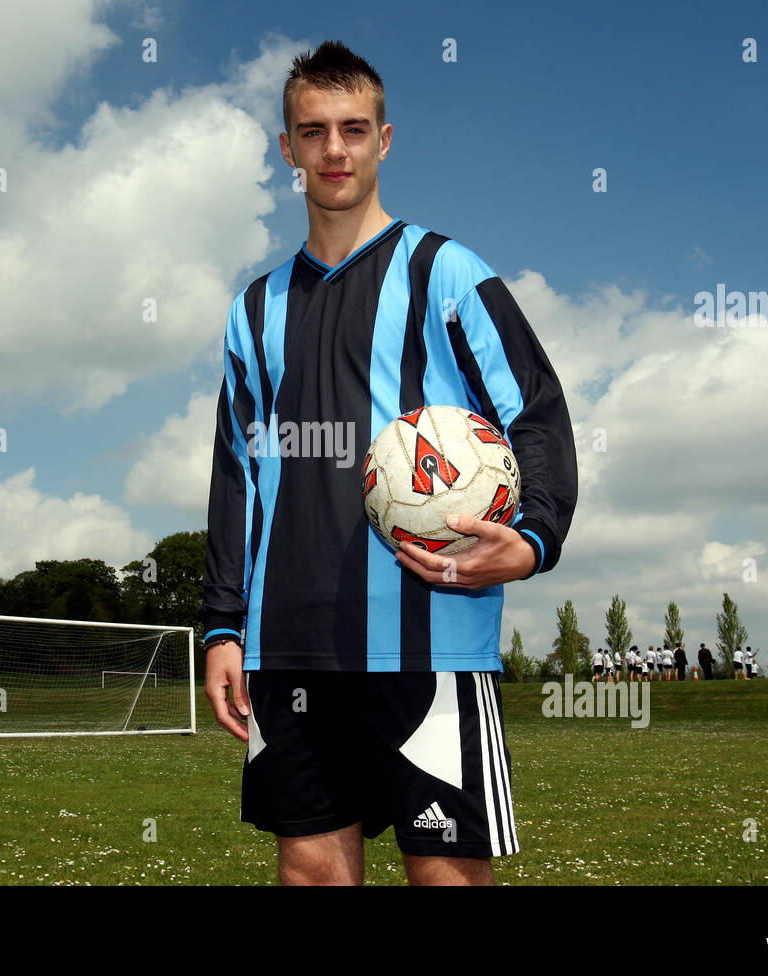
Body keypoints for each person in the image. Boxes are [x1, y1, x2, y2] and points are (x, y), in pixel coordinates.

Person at [198, 41, 577, 887]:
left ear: (385, 140)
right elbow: (238, 477)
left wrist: (536, 537)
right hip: (286, 638)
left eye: (354, 130)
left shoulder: (448, 275)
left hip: (428, 632)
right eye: (314, 131)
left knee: (444, 875)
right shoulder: (253, 310)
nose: (335, 149)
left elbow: (535, 415)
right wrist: (224, 625)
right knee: (313, 872)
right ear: (288, 147)